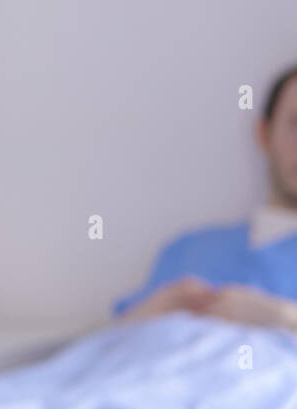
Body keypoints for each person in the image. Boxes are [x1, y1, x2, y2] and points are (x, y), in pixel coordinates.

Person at [113, 65, 297, 334]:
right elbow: (97, 350)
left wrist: (281, 317)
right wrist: (147, 315)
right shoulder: (187, 249)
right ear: (264, 134)